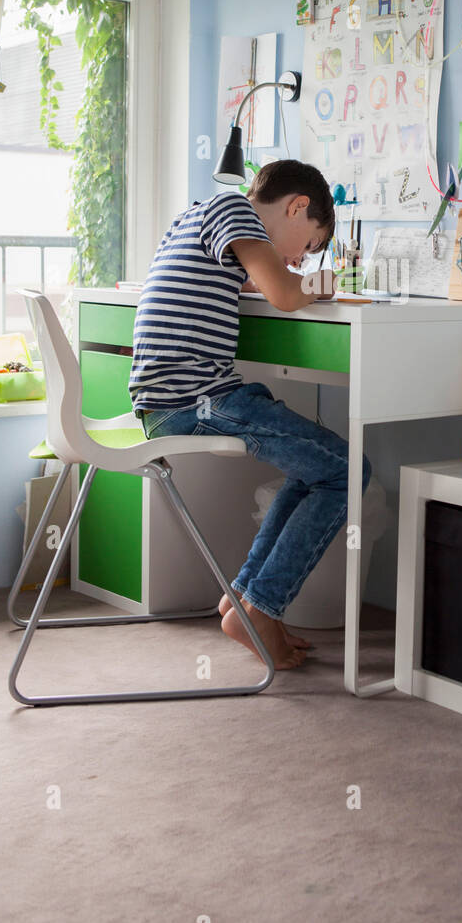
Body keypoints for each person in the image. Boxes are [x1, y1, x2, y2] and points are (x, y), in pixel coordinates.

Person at [128, 160, 371, 670]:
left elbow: (257, 285)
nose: (299, 257)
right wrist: (317, 282)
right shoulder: (235, 209)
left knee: (320, 466)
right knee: (348, 471)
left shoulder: (197, 215)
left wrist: (284, 278)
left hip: (172, 397)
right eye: (306, 245)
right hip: (195, 398)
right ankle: (260, 608)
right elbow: (283, 293)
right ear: (297, 207)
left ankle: (247, 601)